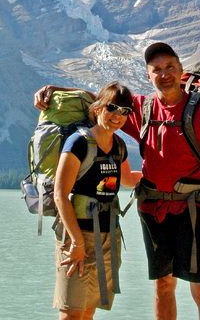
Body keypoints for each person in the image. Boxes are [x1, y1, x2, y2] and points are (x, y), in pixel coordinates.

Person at [35, 42, 200, 320]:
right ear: (148, 75)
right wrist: (57, 90)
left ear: (180, 71)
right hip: (153, 211)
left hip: (194, 211)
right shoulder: (141, 109)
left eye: (170, 68)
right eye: (157, 70)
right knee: (164, 286)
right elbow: (101, 102)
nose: (164, 74)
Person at [52, 82, 142, 320]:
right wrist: (77, 243)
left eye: (125, 111)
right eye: (112, 107)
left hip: (108, 236)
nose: (118, 116)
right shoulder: (78, 143)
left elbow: (128, 179)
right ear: (99, 107)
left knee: (89, 309)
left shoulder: (119, 146)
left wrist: (166, 173)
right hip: (78, 235)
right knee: (71, 311)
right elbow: (60, 194)